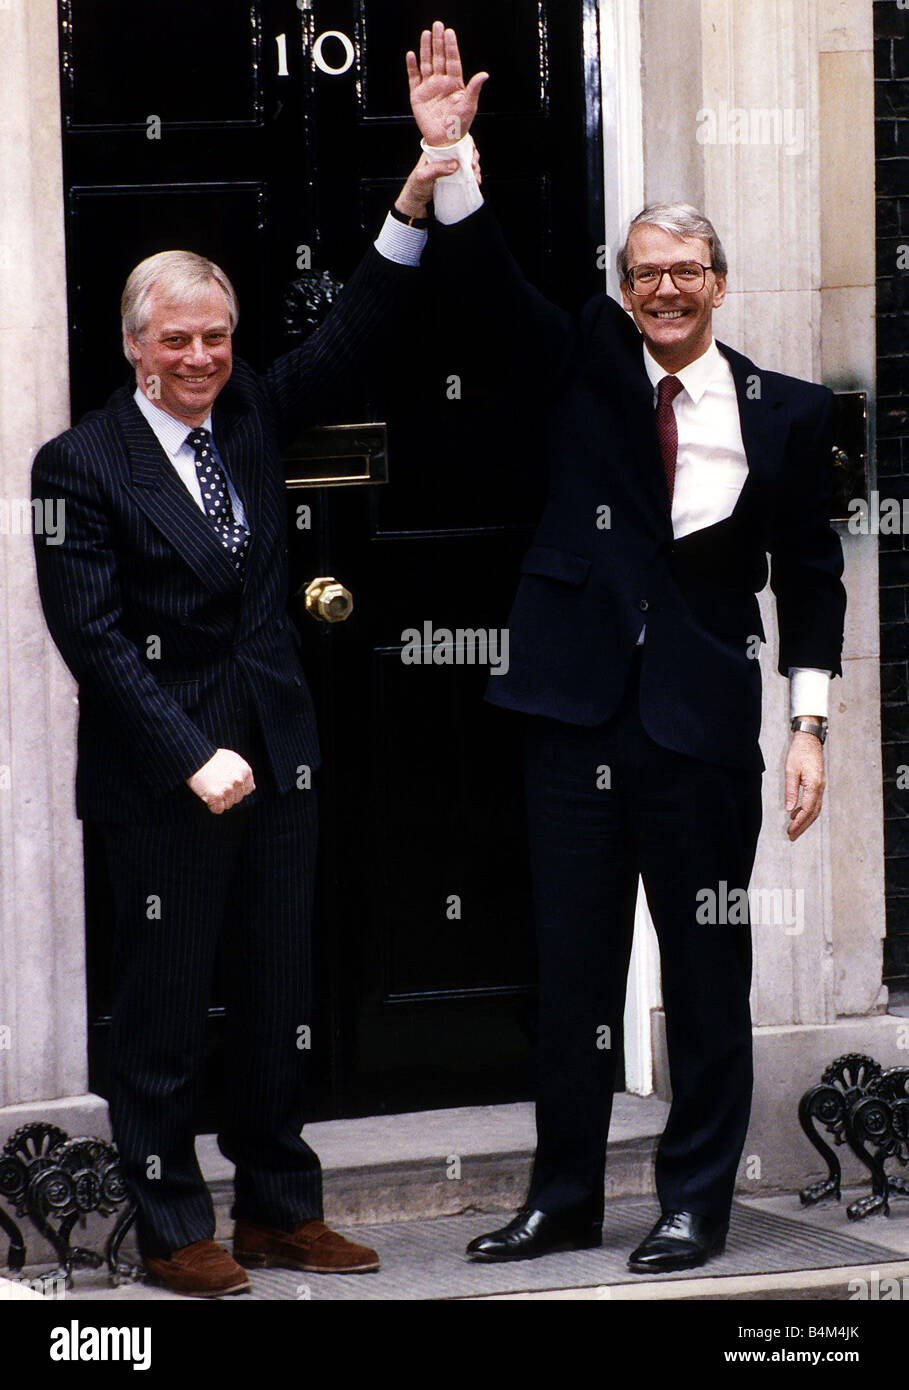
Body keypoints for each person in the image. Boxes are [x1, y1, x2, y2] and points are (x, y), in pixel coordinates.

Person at [401, 21, 846, 1271]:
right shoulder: (588, 363)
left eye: (685, 271)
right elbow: (489, 286)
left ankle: (698, 1200)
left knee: (707, 969)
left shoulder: (789, 414)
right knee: (573, 971)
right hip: (575, 717)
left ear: (719, 281)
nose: (662, 289)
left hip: (703, 731)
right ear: (626, 282)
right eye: (644, 270)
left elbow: (812, 583)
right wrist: (452, 158)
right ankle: (563, 1200)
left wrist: (809, 727)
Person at [30, 150, 464, 1297]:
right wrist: (191, 755)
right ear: (134, 344)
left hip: (280, 756)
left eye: (215, 337)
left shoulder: (253, 414)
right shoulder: (76, 466)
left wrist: (414, 196)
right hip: (160, 776)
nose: (200, 358)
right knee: (166, 1012)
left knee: (280, 998)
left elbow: (358, 332)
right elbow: (96, 640)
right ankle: (174, 1227)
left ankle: (278, 1209)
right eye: (176, 340)